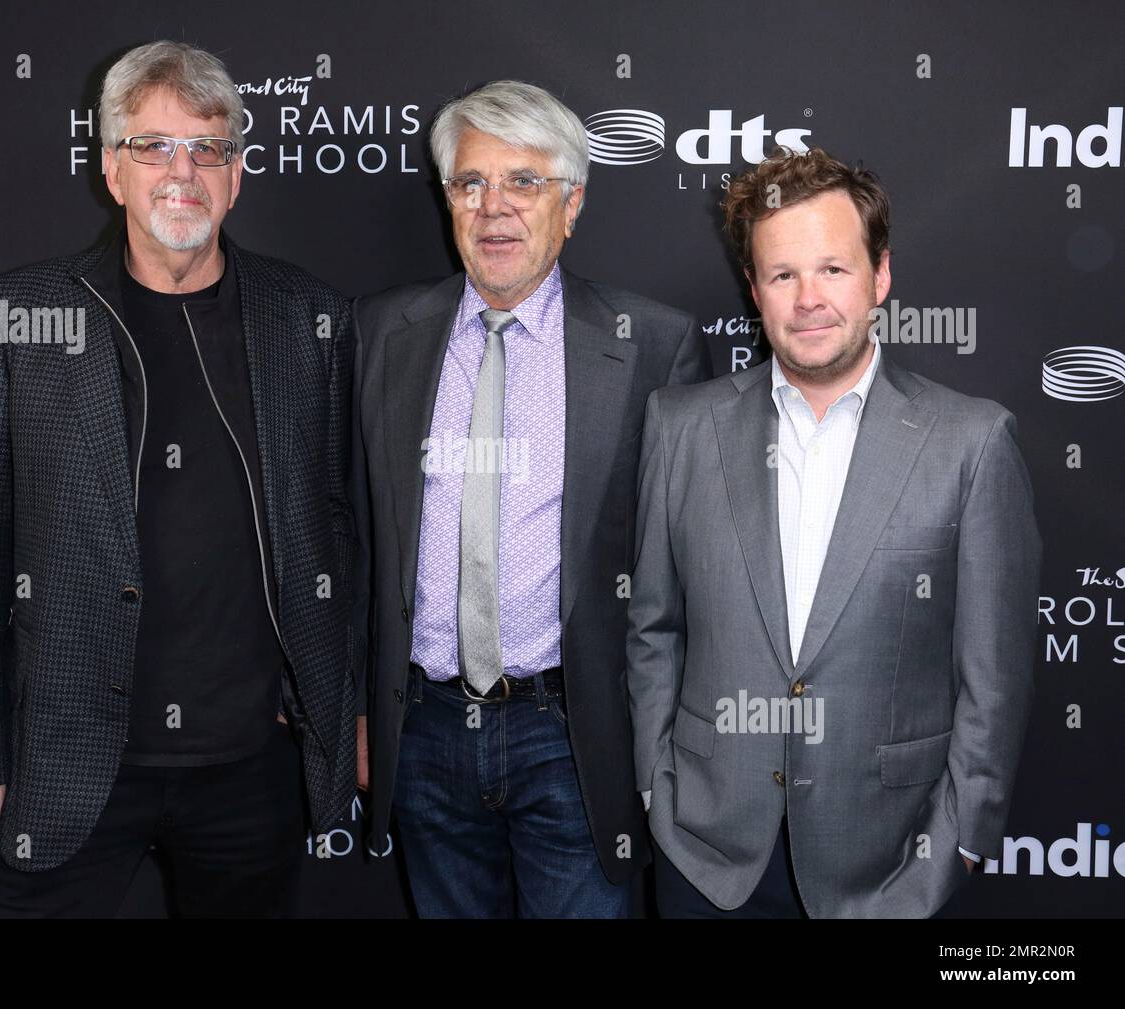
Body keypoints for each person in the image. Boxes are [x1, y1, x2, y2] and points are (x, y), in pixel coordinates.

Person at [0, 40, 361, 917]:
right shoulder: (19, 317)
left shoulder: (308, 315)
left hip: (252, 767)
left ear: (237, 176)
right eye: (153, 146)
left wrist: (338, 706)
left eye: (208, 148)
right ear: (110, 170)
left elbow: (340, 528)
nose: (182, 172)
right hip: (64, 762)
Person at [626, 146, 1041, 917]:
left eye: (834, 270)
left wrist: (959, 841)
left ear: (880, 276)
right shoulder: (681, 425)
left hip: (888, 869)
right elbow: (653, 625)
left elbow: (995, 679)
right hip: (705, 858)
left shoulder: (971, 444)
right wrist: (658, 787)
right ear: (754, 290)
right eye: (783, 275)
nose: (808, 298)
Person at [351, 80, 711, 917]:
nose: (494, 208)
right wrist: (360, 716)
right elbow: (352, 538)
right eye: (471, 182)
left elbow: (687, 571)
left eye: (525, 182)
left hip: (575, 734)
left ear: (572, 204)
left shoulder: (650, 345)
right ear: (447, 199)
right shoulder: (380, 333)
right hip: (426, 727)